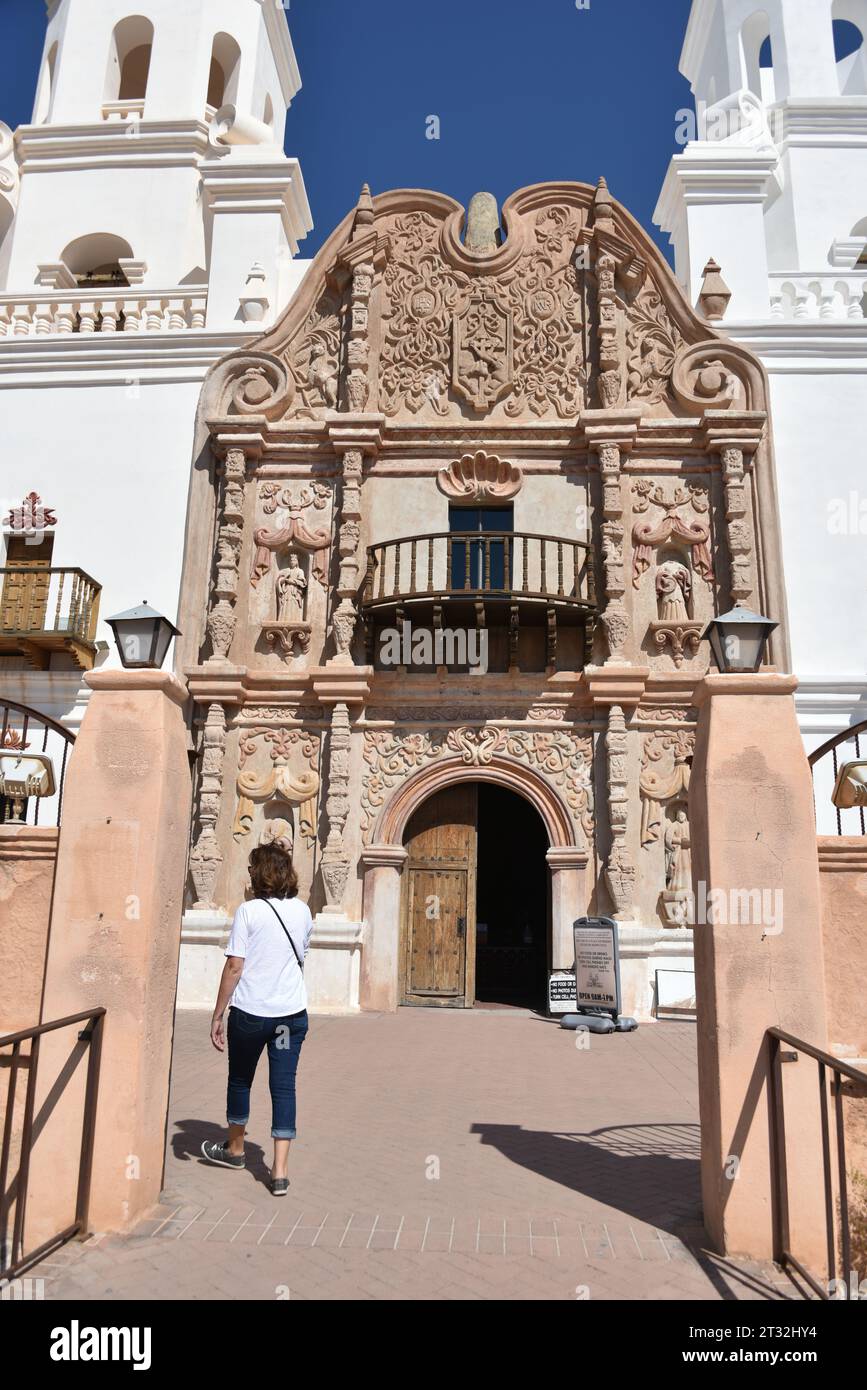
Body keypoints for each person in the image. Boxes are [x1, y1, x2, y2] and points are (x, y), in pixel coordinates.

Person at [202, 843, 313, 1196]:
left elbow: (235, 965)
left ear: (259, 873)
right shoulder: (303, 911)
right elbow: (300, 957)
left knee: (240, 1080)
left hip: (250, 1014)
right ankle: (279, 1172)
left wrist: (218, 1013)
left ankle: (236, 1150)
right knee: (283, 1088)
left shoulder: (249, 912)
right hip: (288, 1017)